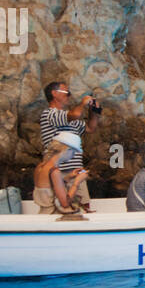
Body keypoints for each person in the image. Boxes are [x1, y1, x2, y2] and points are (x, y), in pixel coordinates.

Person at [40, 81, 98, 211]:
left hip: (76, 169)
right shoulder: (49, 114)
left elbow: (90, 128)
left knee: (84, 208)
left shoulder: (71, 119)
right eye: (67, 93)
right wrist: (83, 103)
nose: (69, 96)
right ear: (54, 94)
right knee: (63, 207)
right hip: (59, 170)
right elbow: (75, 114)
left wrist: (94, 109)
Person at [33, 133, 88, 215]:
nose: (73, 156)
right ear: (67, 150)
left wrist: (68, 177)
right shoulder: (55, 171)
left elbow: (49, 188)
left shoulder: (40, 166)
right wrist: (77, 182)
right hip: (53, 217)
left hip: (43, 214)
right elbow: (65, 203)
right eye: (73, 152)